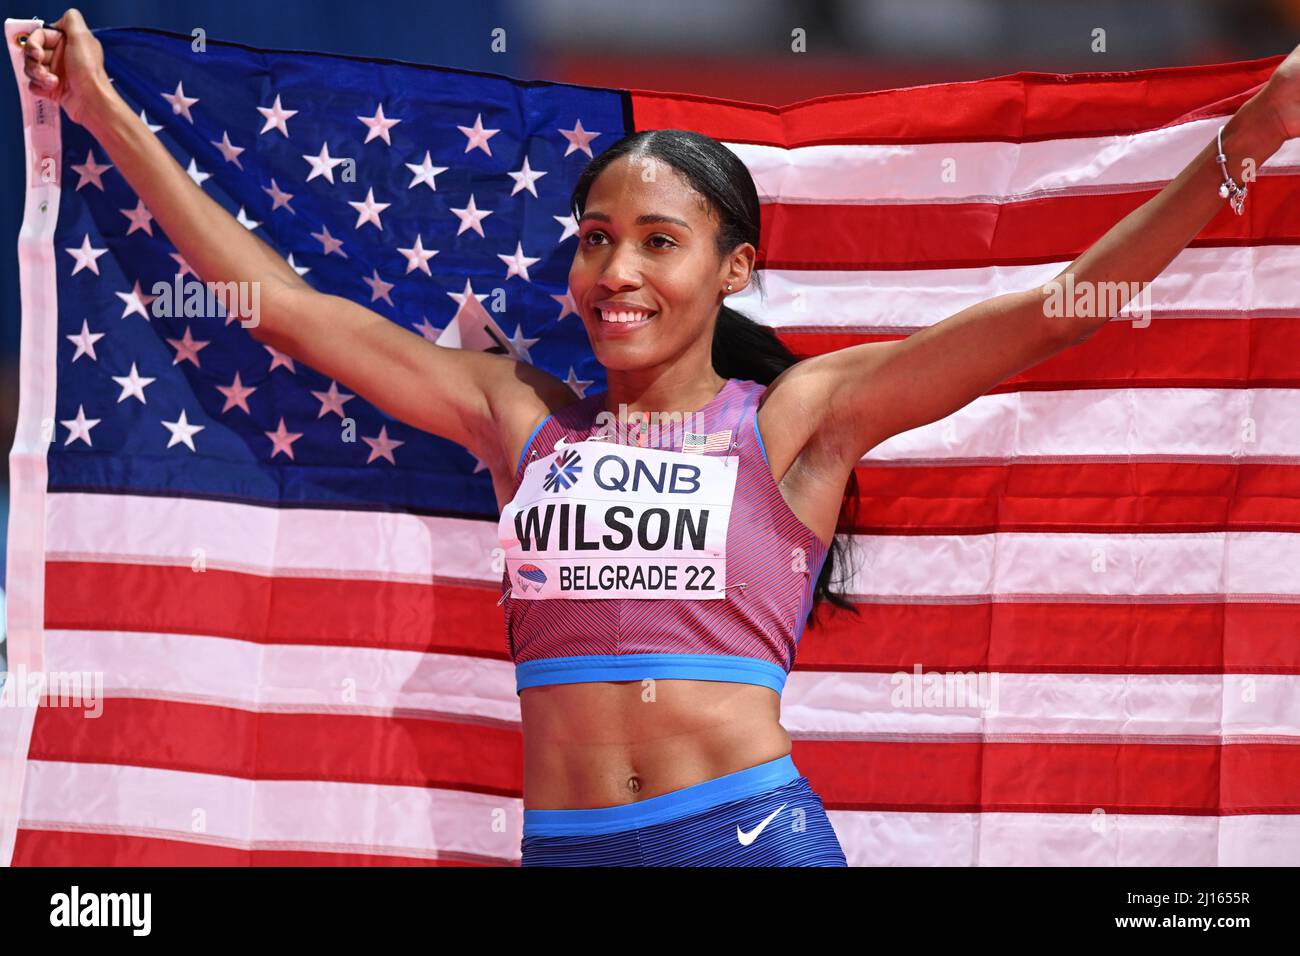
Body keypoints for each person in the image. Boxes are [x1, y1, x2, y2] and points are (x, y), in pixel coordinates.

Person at [24, 9, 1299, 866]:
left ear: (734, 266)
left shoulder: (798, 419)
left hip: (743, 836)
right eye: (594, 239)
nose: (614, 269)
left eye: (656, 239)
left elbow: (1048, 319)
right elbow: (289, 311)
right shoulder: (513, 414)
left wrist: (1235, 154)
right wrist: (104, 115)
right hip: (565, 848)